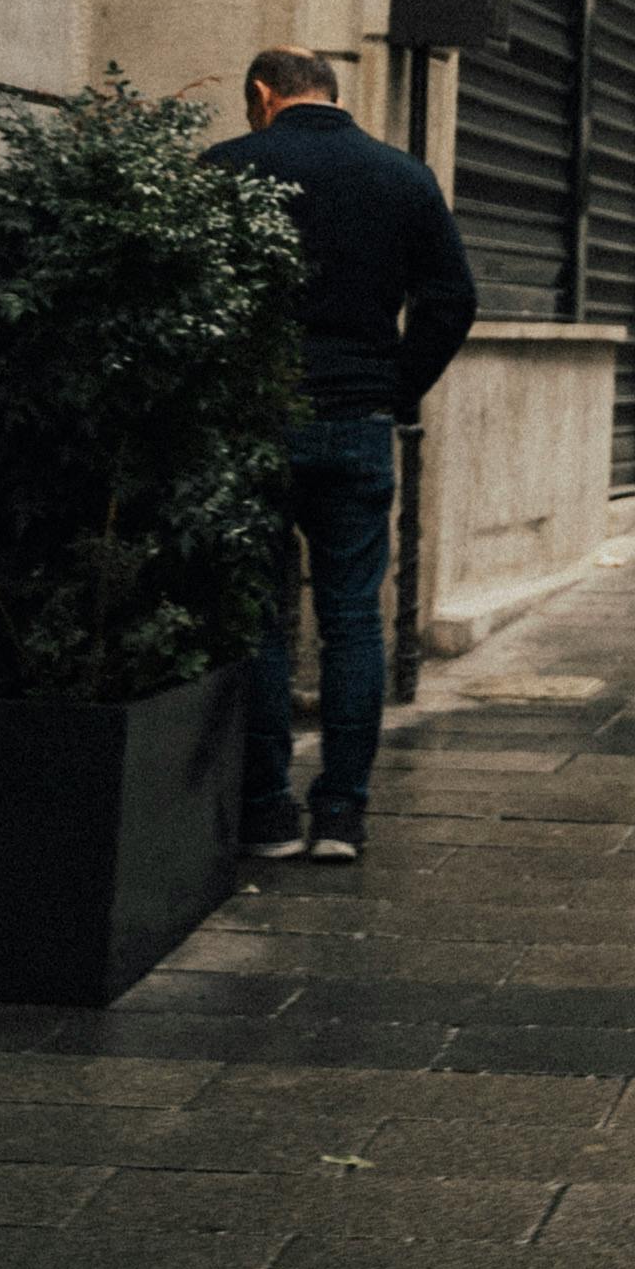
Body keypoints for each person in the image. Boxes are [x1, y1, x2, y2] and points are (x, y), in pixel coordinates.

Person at [209, 46, 478, 866]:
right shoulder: (402, 176)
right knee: (353, 620)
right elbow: (452, 300)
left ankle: (264, 815)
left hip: (255, 417)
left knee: (257, 618)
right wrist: (396, 387)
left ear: (262, 95)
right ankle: (341, 818)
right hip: (358, 418)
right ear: (331, 92)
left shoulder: (226, 169)